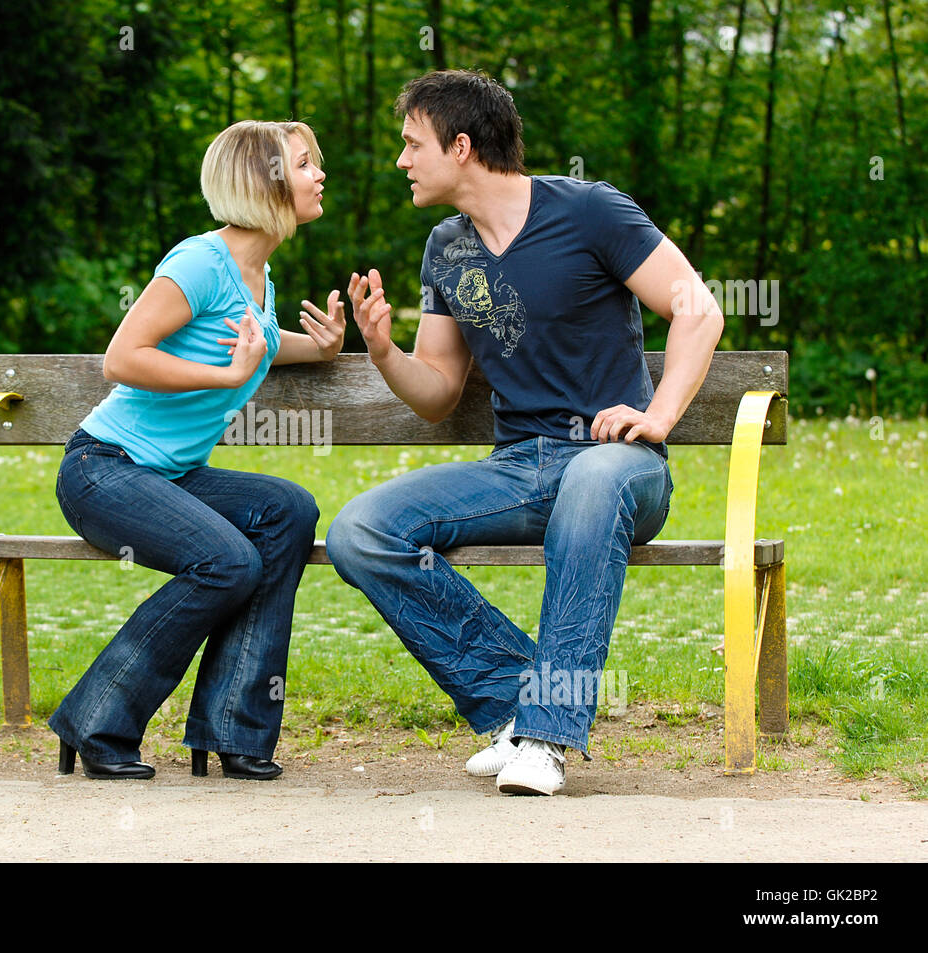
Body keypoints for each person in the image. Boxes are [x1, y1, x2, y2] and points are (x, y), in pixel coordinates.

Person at [327, 69, 723, 795]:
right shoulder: (447, 248)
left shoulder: (592, 212)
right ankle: (521, 702)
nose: (402, 160)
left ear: (463, 146)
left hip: (618, 466)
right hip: (521, 469)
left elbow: (698, 308)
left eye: (413, 144)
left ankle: (546, 736)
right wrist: (384, 351)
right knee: (360, 530)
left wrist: (657, 416)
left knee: (595, 477)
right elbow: (441, 393)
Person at [50, 120, 345, 781]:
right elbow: (122, 357)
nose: (319, 175)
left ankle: (233, 729)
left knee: (288, 510)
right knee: (227, 560)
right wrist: (225, 378)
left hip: (174, 476)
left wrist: (318, 348)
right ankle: (97, 717)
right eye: (304, 164)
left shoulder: (257, 272)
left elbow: (251, 344)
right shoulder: (200, 262)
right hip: (105, 469)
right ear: (264, 182)